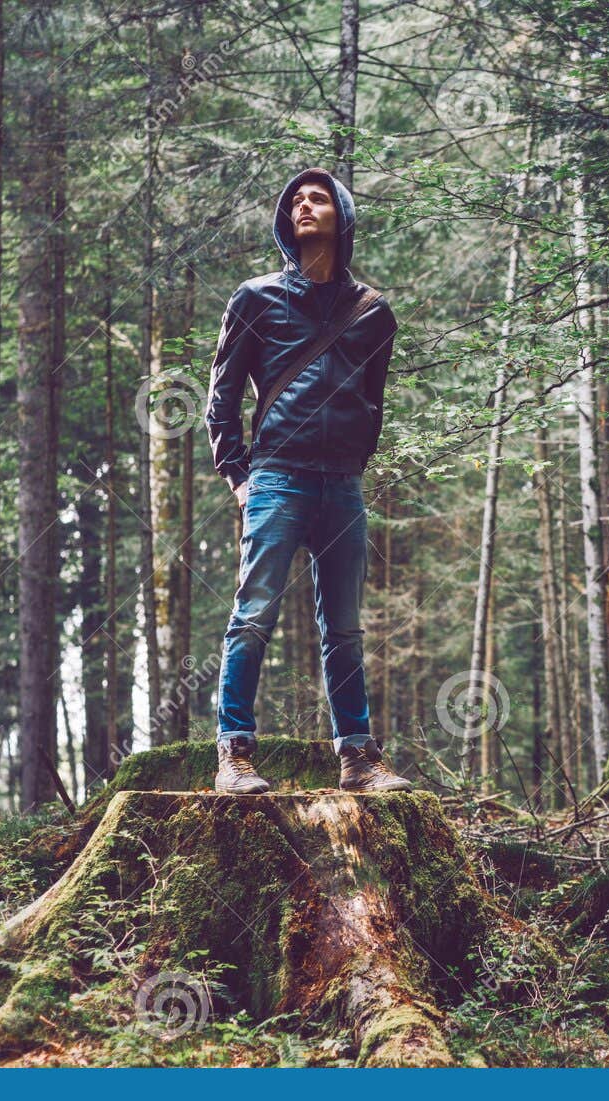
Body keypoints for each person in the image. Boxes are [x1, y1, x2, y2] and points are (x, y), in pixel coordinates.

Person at [204, 166, 412, 795]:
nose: (303, 206)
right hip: (276, 480)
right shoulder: (255, 298)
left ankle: (358, 759)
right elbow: (222, 393)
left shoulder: (373, 313)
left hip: (342, 486)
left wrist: (354, 463)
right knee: (253, 614)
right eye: (295, 200)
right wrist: (239, 473)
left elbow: (372, 402)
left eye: (317, 199)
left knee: (344, 628)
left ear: (341, 218)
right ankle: (234, 754)